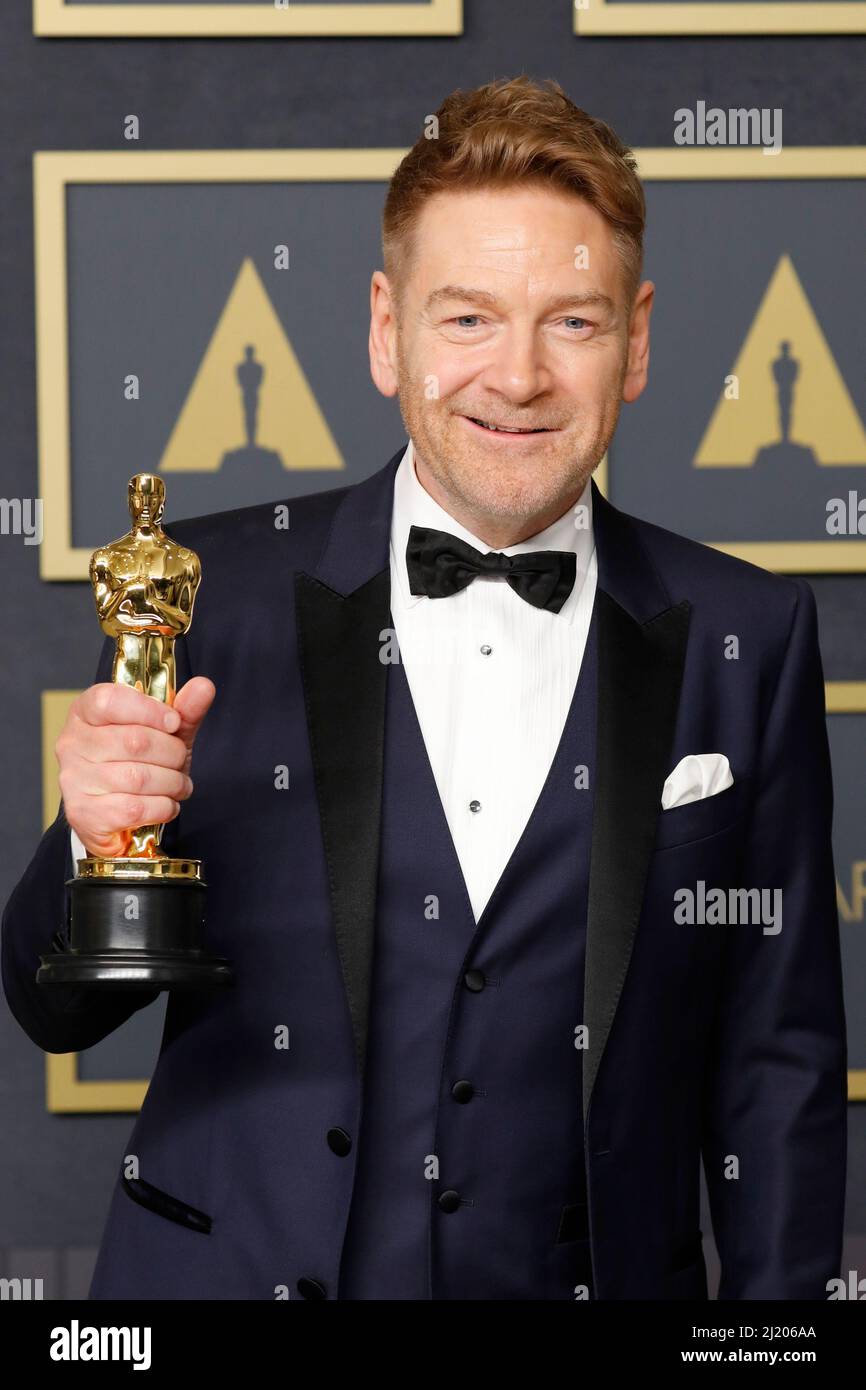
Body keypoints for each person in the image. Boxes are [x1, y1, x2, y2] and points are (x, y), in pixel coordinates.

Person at [1, 76, 847, 1301]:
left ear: (638, 339)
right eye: (466, 320)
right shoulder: (205, 595)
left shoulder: (745, 631)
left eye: (571, 322)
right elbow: (51, 1012)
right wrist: (88, 846)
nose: (516, 377)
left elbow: (774, 1072)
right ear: (384, 329)